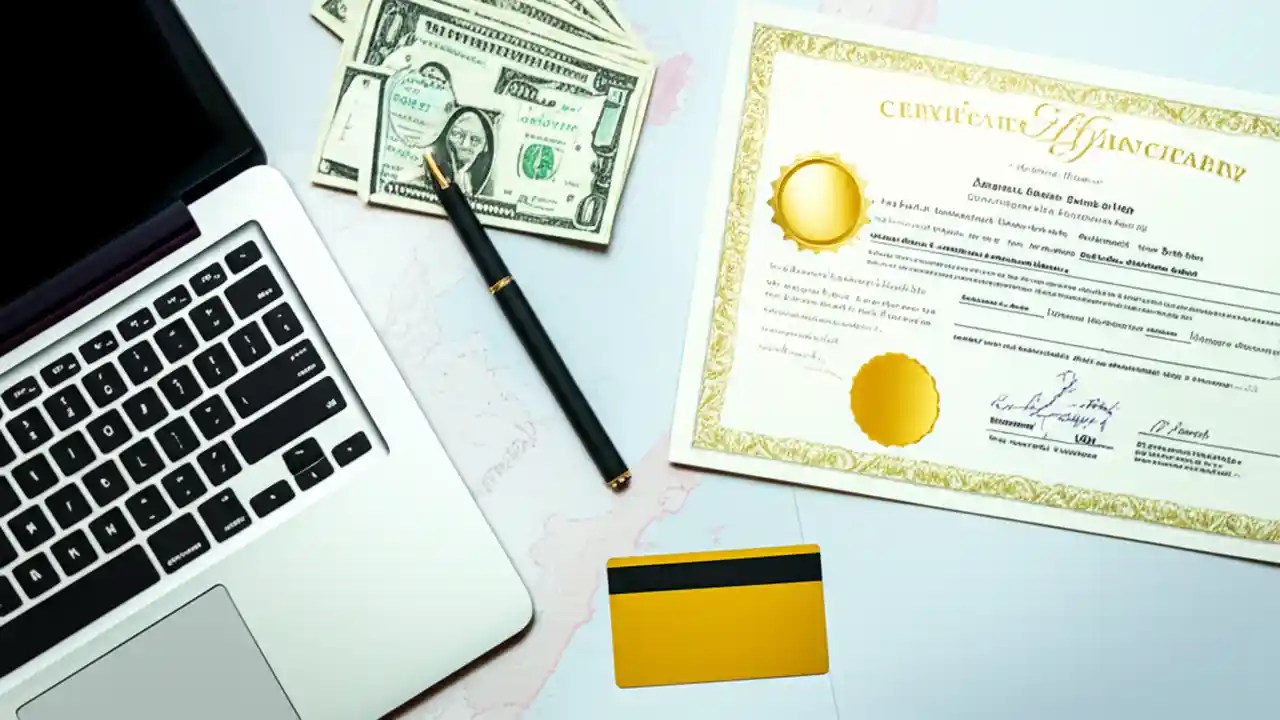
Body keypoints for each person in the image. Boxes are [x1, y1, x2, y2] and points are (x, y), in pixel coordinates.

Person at [428, 107, 495, 198]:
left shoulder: (490, 189)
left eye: (475, 140)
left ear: (485, 146)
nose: (465, 144)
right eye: (457, 134)